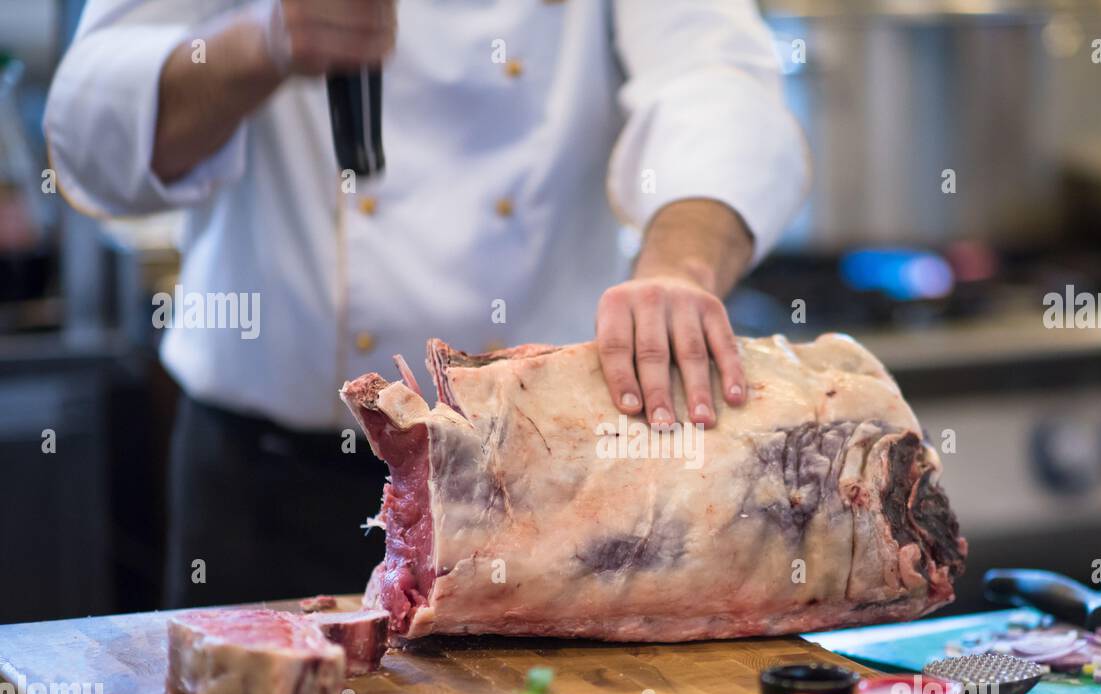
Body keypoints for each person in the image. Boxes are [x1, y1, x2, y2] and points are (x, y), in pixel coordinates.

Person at [44, 0, 809, 607]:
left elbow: (715, 78)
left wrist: (679, 261)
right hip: (267, 485)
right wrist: (265, 40)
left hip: (547, 484)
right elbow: (89, 136)